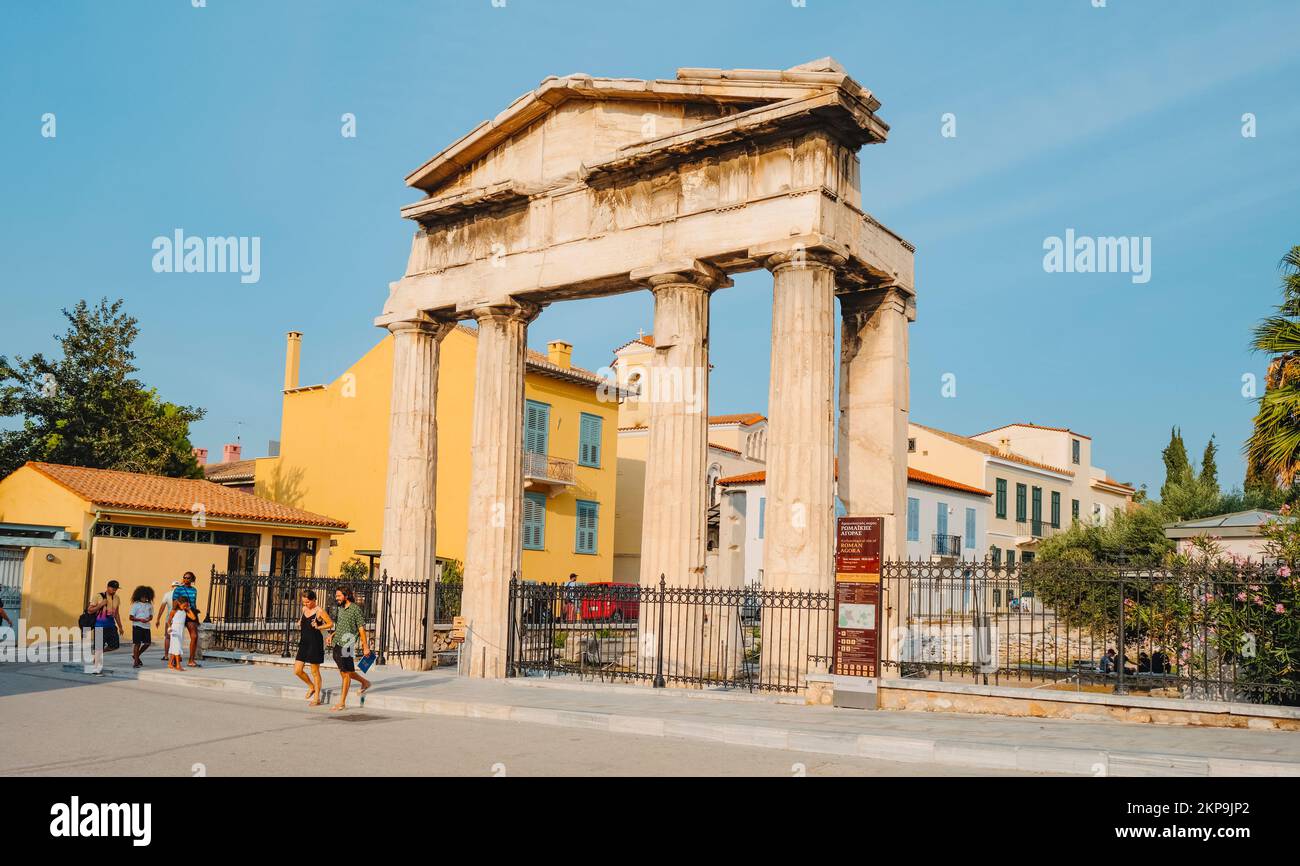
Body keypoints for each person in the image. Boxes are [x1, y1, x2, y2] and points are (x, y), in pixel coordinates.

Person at [328, 585, 371, 711]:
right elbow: (341, 625)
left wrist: (365, 646)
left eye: (339, 595)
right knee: (346, 671)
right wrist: (332, 635)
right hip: (337, 643)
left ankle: (342, 702)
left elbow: (361, 628)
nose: (337, 598)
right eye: (336, 596)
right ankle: (365, 682)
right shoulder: (341, 608)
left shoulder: (355, 609)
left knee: (345, 673)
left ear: (346, 596)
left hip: (347, 644)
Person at [292, 590, 333, 706]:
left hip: (315, 643)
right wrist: (300, 621)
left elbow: (330, 623)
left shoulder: (319, 611)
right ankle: (311, 686)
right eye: (303, 602)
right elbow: (303, 621)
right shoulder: (304, 609)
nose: (305, 604)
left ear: (314, 600)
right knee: (297, 670)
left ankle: (317, 698)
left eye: (307, 602)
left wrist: (319, 626)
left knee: (315, 671)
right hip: (304, 643)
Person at [172, 572, 201, 667]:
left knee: (194, 636)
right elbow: (174, 604)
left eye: (188, 578)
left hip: (190, 613)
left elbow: (193, 603)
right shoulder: (178, 589)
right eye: (184, 577)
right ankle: (175, 658)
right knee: (178, 637)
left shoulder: (194, 590)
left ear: (192, 579)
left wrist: (195, 615)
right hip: (180, 613)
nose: (186, 579)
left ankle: (191, 660)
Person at [87, 580, 124, 652]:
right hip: (99, 626)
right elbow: (89, 610)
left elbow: (116, 613)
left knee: (114, 646)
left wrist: (120, 627)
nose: (114, 591)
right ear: (107, 587)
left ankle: (100, 652)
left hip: (111, 626)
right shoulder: (98, 596)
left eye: (116, 589)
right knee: (98, 648)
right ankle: (97, 658)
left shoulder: (117, 598)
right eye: (113, 589)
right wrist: (100, 605)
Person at [128, 586, 155, 668]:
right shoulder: (135, 605)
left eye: (146, 596)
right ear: (139, 596)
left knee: (147, 643)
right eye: (143, 596)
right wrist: (140, 620)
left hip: (146, 627)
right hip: (137, 626)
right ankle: (136, 662)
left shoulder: (149, 605)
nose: (145, 598)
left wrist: (149, 619)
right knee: (137, 643)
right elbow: (131, 617)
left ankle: (136, 655)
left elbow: (151, 616)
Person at [167, 599, 189, 672]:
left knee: (175, 646)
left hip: (181, 630)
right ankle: (178, 665)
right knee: (177, 646)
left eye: (186, 605)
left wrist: (188, 609)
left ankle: (170, 663)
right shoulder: (174, 611)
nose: (185, 607)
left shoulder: (185, 611)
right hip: (174, 630)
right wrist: (170, 628)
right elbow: (169, 621)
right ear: (179, 604)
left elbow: (193, 617)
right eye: (184, 605)